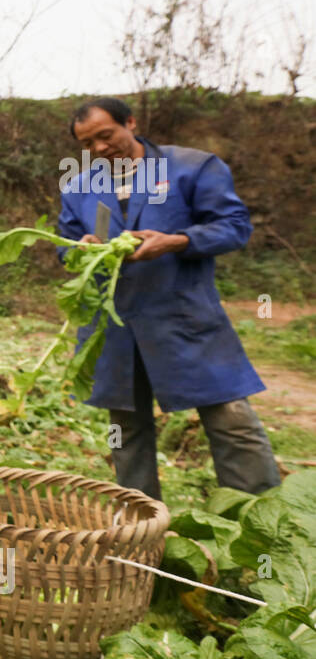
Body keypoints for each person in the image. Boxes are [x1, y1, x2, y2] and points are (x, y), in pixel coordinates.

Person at [57, 97, 280, 501]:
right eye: (88, 144)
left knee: (230, 418)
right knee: (125, 428)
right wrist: (80, 247)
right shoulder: (79, 187)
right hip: (116, 325)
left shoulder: (190, 167)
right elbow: (65, 244)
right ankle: (142, 523)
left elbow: (234, 227)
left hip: (184, 317)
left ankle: (260, 515)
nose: (100, 149)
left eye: (106, 135)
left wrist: (177, 241)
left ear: (131, 122)